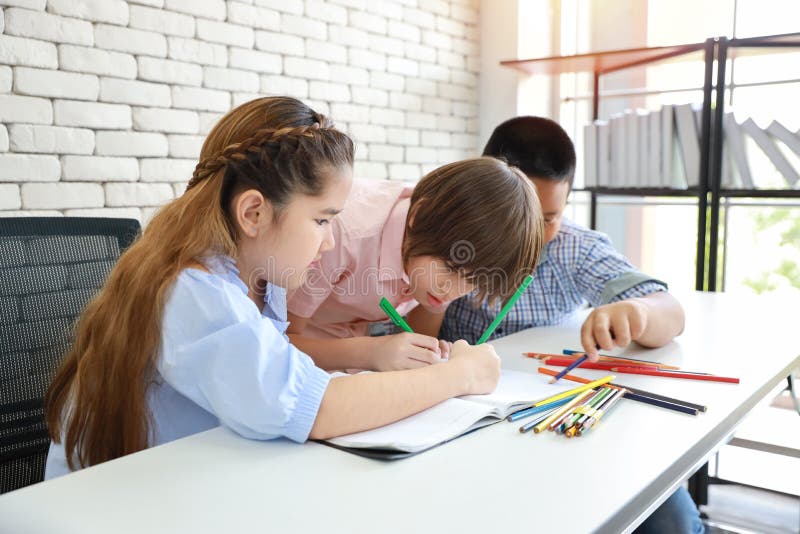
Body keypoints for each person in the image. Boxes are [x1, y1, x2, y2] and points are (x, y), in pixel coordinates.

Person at [44, 97, 501, 479]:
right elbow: (315, 408)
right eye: (321, 220)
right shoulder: (196, 292)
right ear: (254, 214)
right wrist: (459, 375)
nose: (328, 240)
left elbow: (285, 380)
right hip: (122, 499)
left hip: (198, 474)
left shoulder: (262, 282)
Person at [441, 116, 701, 534]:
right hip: (470, 420)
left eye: (549, 216)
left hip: (563, 412)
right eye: (517, 214)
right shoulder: (450, 246)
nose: (534, 232)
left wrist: (637, 312)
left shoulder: (573, 247)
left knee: (673, 523)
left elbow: (670, 311)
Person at [286, 157, 544, 371]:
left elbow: (423, 323)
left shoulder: (451, 248)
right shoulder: (340, 235)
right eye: (452, 269)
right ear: (418, 217)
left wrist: (427, 353)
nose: (451, 292)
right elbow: (279, 343)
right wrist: (371, 352)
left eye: (474, 281)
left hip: (345, 360)